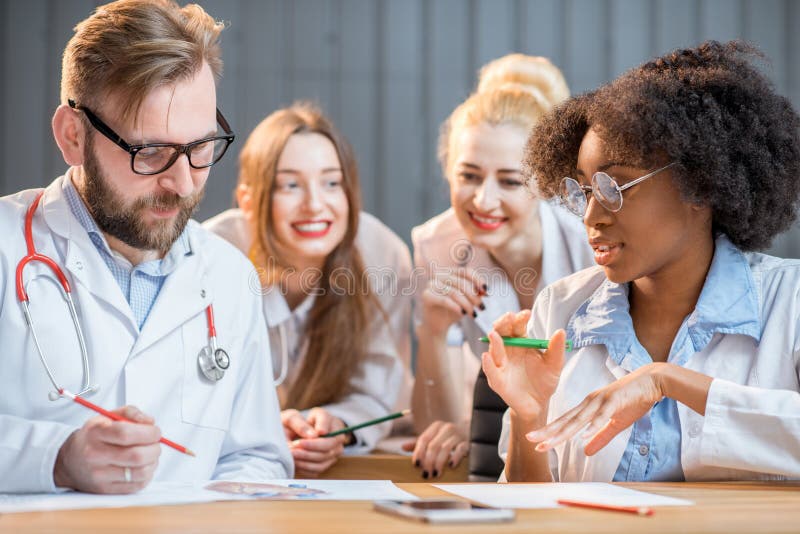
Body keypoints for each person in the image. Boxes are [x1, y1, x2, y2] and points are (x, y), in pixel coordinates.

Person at [0, 0, 292, 494]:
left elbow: (257, 457)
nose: (182, 183)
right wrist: (56, 458)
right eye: (150, 152)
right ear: (73, 137)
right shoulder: (8, 248)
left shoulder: (228, 276)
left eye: (200, 147)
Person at [484, 40, 800, 482]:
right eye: (586, 191)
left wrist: (665, 381)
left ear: (701, 186)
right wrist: (529, 415)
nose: (592, 216)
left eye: (617, 187)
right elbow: (529, 511)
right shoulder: (559, 310)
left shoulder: (791, 302)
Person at [409, 54, 594, 479]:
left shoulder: (591, 242)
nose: (483, 201)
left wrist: (482, 429)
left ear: (545, 182)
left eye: (510, 181)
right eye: (469, 176)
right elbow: (433, 425)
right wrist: (433, 332)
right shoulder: (436, 244)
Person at [204, 103, 412, 478]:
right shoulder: (212, 256)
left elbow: (379, 391)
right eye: (290, 185)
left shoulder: (382, 254)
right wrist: (261, 428)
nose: (315, 204)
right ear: (248, 201)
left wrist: (337, 425)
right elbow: (193, 395)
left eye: (332, 183)